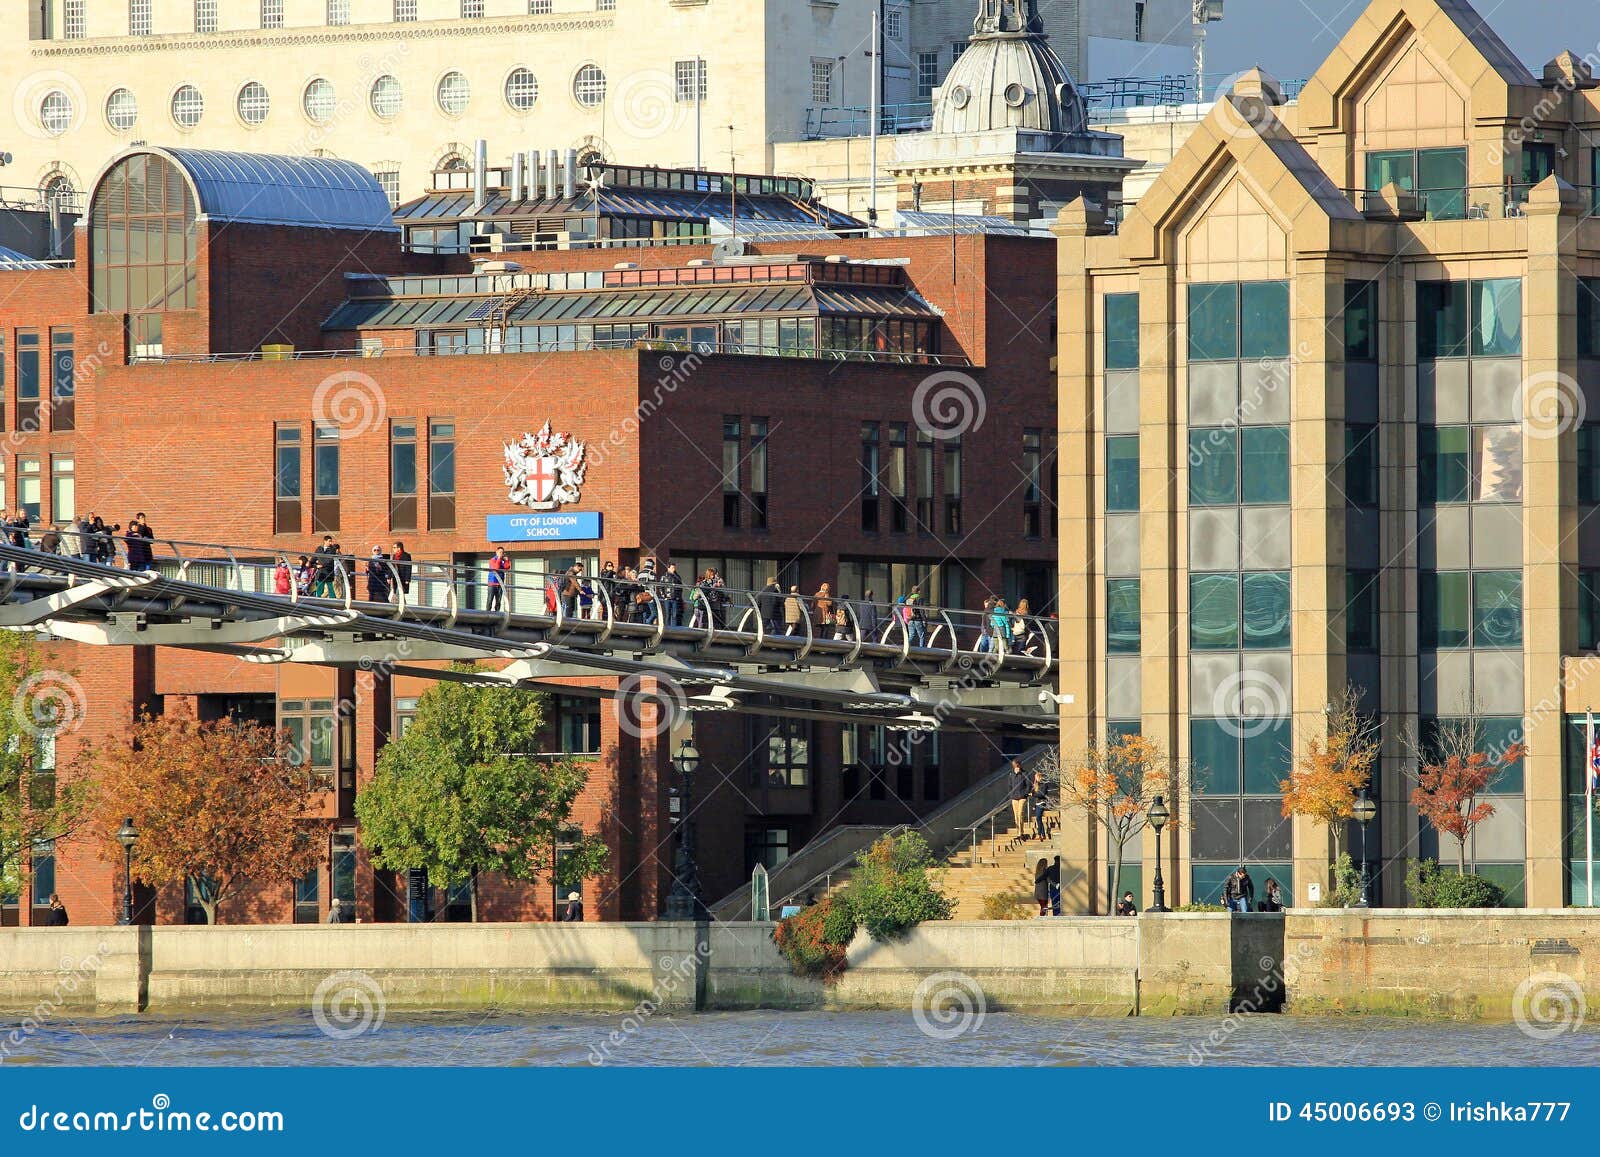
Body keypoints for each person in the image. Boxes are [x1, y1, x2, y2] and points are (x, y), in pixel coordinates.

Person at [1008, 758, 1031, 839]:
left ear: (1019, 765)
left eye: (1017, 765)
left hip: (1022, 797)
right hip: (1014, 797)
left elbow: (1028, 785)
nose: (1016, 767)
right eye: (1014, 766)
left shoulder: (1024, 773)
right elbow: (1010, 785)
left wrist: (1025, 793)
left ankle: (1021, 832)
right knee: (1016, 816)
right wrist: (1011, 794)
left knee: (1020, 814)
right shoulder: (1011, 774)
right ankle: (1018, 832)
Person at [486, 547, 510, 611]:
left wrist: (507, 560)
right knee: (490, 599)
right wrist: (499, 558)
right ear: (496, 552)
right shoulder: (493, 560)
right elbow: (496, 567)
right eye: (500, 552)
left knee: (498, 601)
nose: (501, 554)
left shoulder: (503, 560)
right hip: (492, 583)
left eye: (502, 552)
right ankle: (487, 613)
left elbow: (507, 567)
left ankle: (497, 613)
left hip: (500, 584)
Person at [661, 562, 685, 627]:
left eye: (674, 568)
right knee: (668, 614)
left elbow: (680, 588)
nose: (674, 569)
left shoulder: (677, 577)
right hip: (667, 598)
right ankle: (667, 627)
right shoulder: (664, 576)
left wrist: (678, 597)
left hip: (675, 598)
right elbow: (661, 587)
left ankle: (674, 628)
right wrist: (664, 596)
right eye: (672, 568)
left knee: (675, 614)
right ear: (668, 568)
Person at [1030, 768, 1050, 841]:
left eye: (1037, 777)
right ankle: (1043, 834)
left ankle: (1039, 834)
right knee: (1039, 819)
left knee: (1038, 818)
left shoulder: (1044, 784)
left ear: (1040, 777)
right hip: (1037, 803)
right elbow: (1034, 795)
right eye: (1035, 778)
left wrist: (1033, 794)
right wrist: (1034, 805)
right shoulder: (1036, 785)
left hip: (1042, 802)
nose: (1036, 779)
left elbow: (1042, 794)